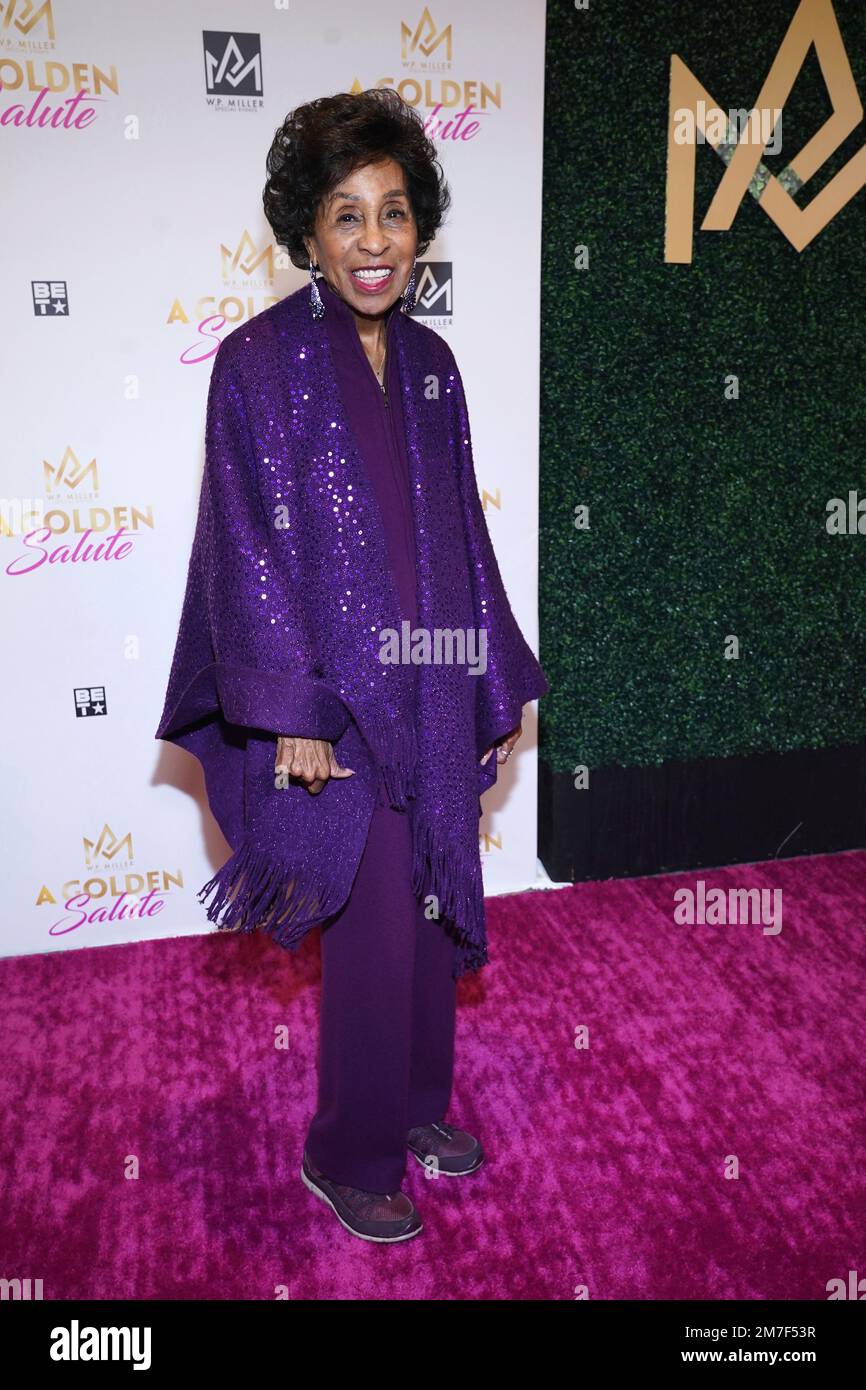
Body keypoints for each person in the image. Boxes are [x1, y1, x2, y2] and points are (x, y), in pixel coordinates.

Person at [155, 88, 548, 1243]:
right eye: (345, 216)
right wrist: (293, 712)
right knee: (374, 930)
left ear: (417, 224)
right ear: (306, 234)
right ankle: (349, 1151)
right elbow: (243, 545)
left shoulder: (434, 363)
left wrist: (485, 680)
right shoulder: (256, 364)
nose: (372, 241)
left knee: (430, 912)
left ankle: (419, 1105)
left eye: (392, 213)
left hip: (425, 689)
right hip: (335, 705)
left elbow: (462, 536)